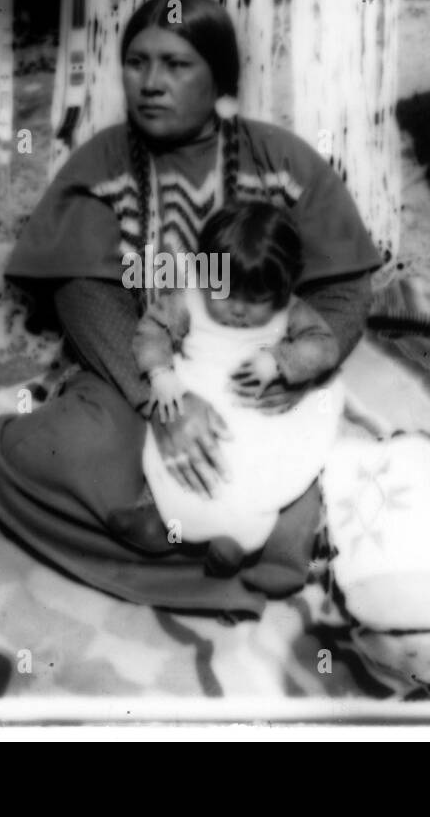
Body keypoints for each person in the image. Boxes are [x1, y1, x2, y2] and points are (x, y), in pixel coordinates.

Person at [0, 0, 381, 618]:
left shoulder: (280, 160)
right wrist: (162, 403)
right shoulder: (103, 164)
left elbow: (344, 289)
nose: (151, 83)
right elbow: (86, 299)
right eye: (137, 62)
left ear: (220, 76)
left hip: (262, 374)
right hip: (132, 370)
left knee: (322, 464)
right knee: (73, 450)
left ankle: (240, 538)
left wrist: (301, 368)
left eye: (177, 65)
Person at [135, 200, 345, 576]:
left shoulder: (289, 310)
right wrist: (160, 374)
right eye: (224, 293)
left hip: (259, 409)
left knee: (256, 469)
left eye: (255, 301)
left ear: (283, 288)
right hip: (201, 392)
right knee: (178, 457)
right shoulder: (190, 298)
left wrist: (280, 359)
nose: (236, 310)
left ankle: (240, 541)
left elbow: (325, 345)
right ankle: (162, 518)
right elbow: (153, 329)